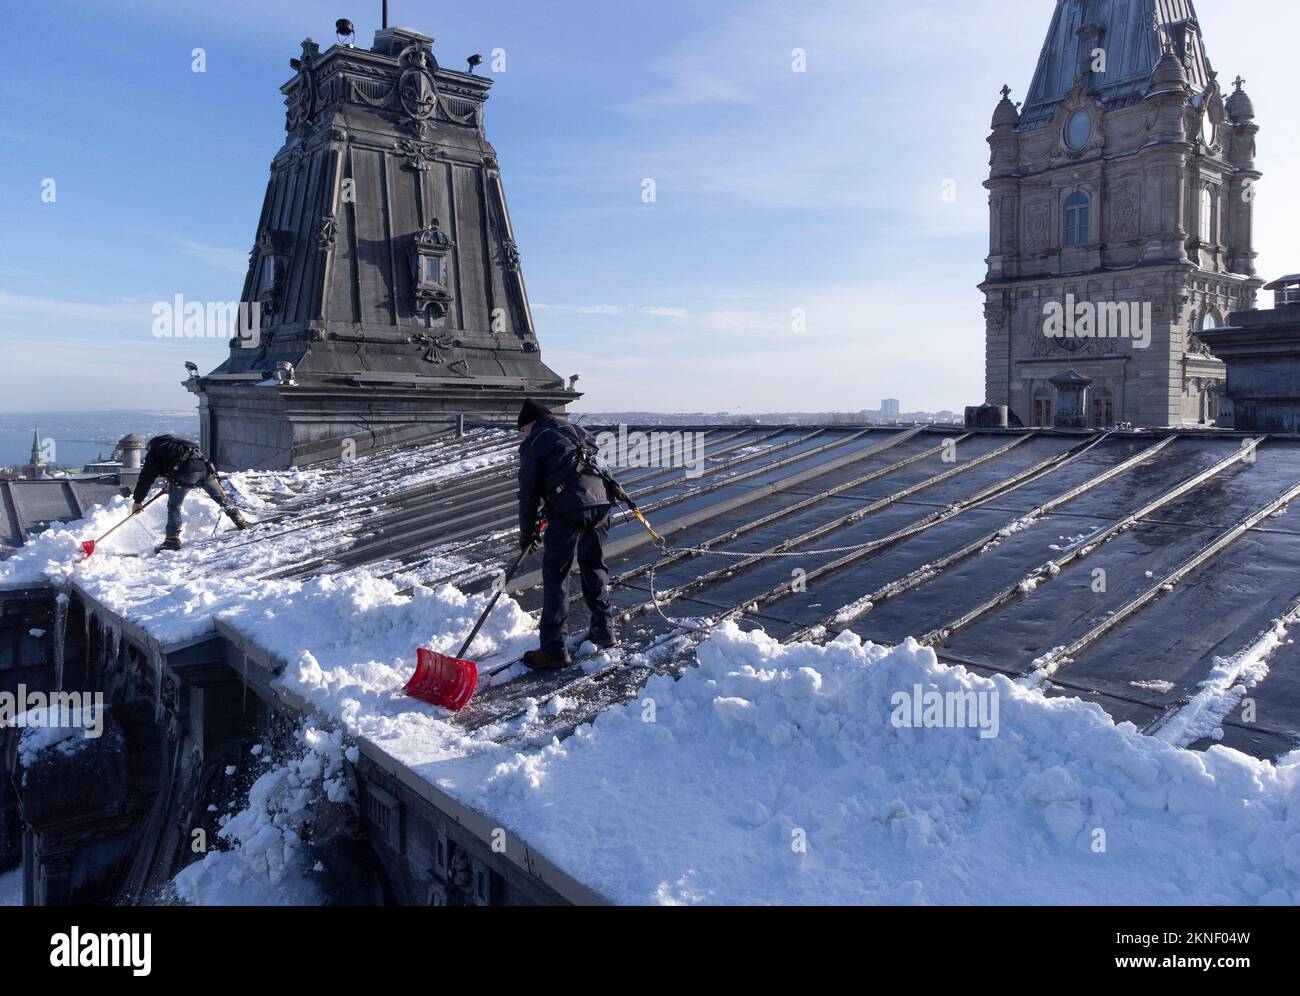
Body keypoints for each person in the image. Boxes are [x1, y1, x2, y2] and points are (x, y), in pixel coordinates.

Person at [516, 399, 617, 670]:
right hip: (603, 504)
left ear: (529, 424)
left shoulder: (536, 440)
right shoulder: (580, 432)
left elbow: (528, 493)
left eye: (522, 430)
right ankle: (604, 628)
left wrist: (527, 533)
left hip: (570, 508)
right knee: (593, 564)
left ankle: (553, 649)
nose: (523, 435)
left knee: (556, 574)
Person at [131, 435, 249, 551]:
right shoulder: (184, 444)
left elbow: (146, 478)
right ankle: (239, 520)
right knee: (221, 498)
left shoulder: (155, 452)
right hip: (206, 471)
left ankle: (172, 540)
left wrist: (138, 500)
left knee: (174, 506)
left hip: (184, 476)